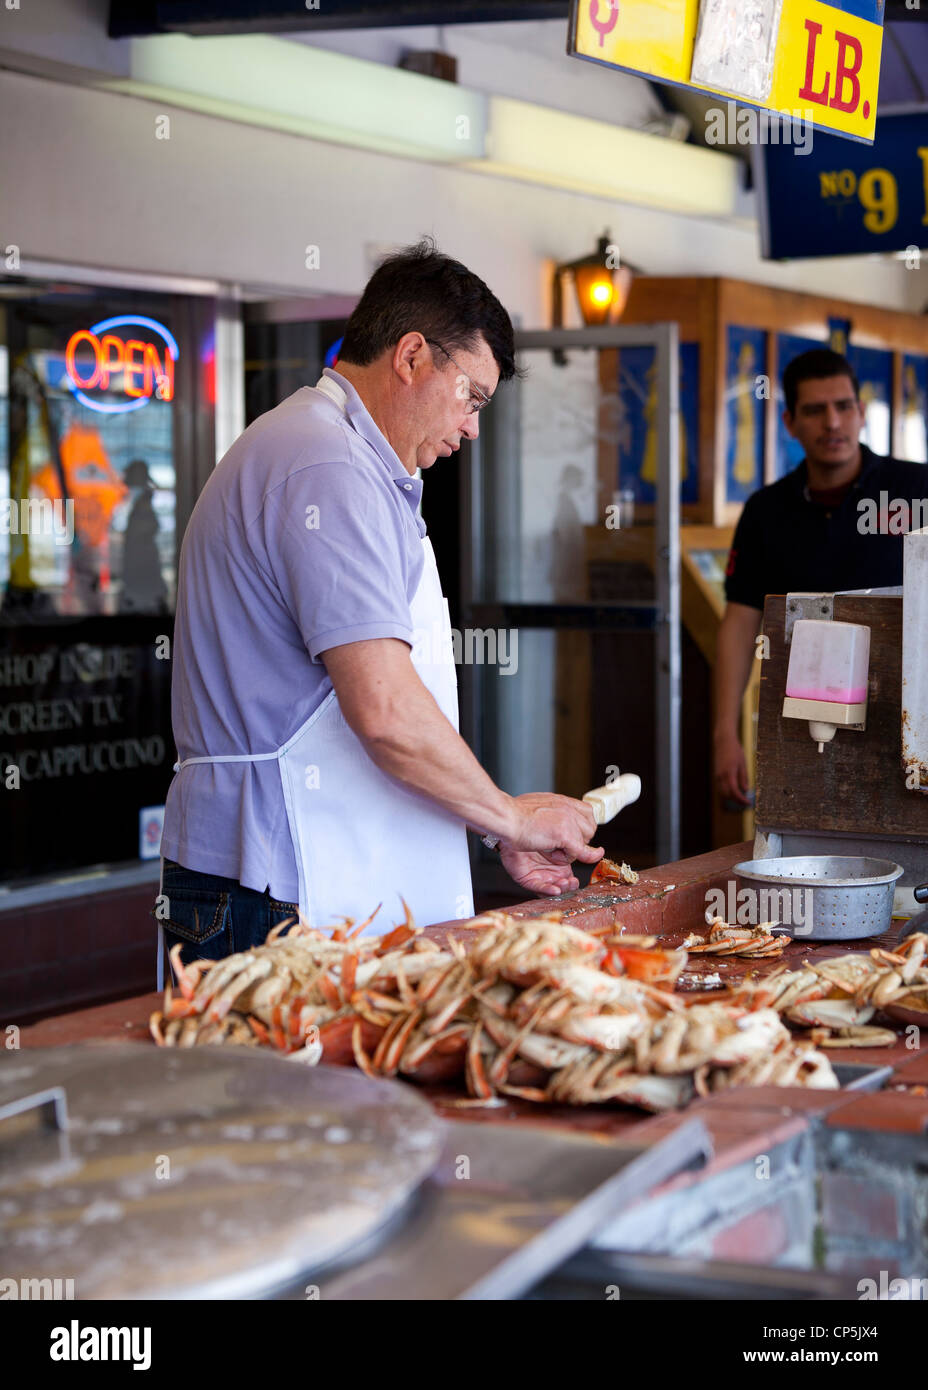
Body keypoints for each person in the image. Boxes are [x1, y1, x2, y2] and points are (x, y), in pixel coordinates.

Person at [159, 240, 602, 964]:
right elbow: (387, 712)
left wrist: (497, 828)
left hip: (284, 880)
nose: (472, 428)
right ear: (412, 357)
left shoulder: (334, 452)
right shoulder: (325, 465)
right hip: (274, 889)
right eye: (472, 398)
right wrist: (510, 819)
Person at [715, 347, 928, 807]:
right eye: (815, 410)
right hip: (801, 721)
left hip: (911, 717)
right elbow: (740, 620)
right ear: (790, 423)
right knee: (801, 843)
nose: (832, 422)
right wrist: (723, 732)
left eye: (843, 406)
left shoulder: (917, 491)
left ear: (861, 412)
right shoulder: (766, 511)